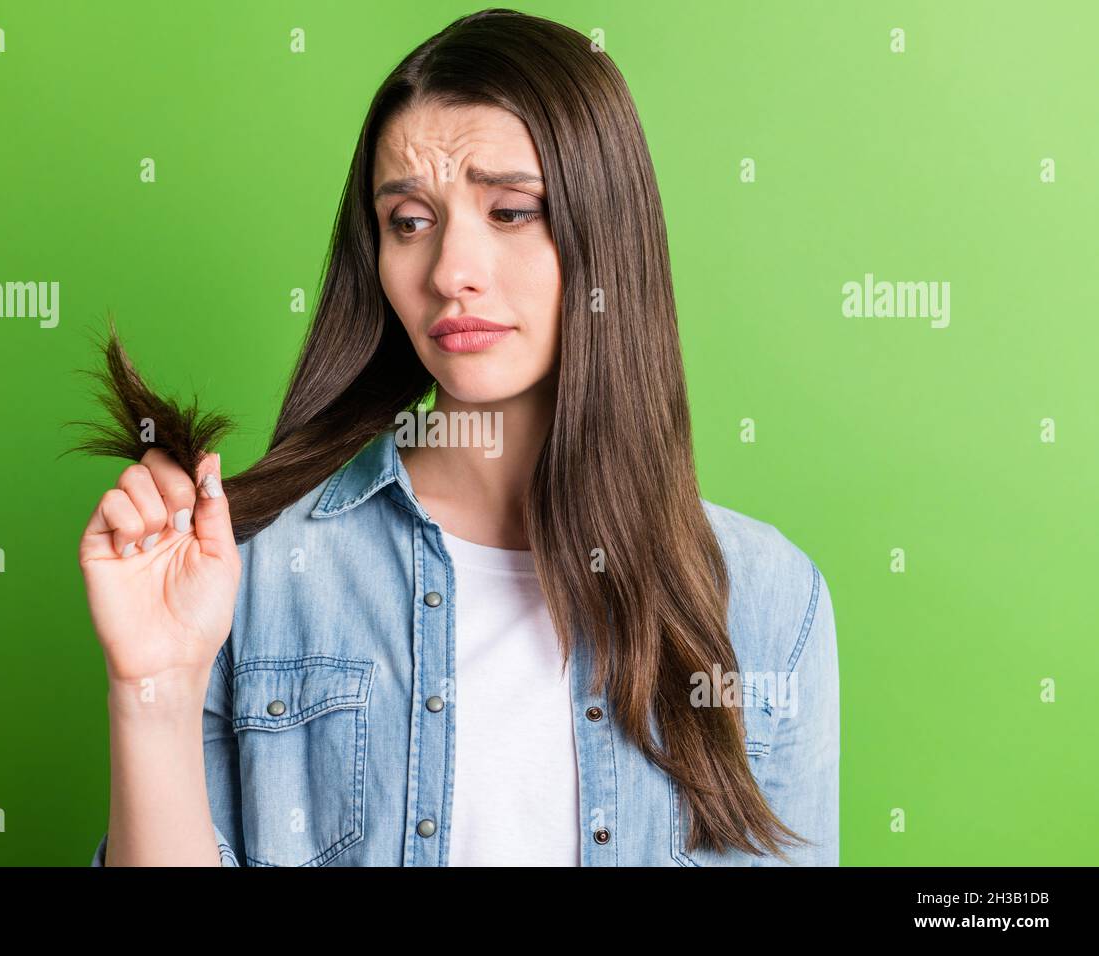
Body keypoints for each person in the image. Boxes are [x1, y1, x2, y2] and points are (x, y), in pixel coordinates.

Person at [75, 8, 839, 867]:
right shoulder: (249, 574)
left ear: (607, 233)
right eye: (409, 221)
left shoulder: (770, 603)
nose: (449, 271)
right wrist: (154, 688)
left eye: (510, 211)